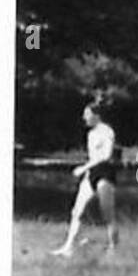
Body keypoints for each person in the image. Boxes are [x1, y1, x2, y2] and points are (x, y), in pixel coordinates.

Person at [52, 100, 118, 258]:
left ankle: (114, 248)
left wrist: (84, 168)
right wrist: (87, 173)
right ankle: (68, 247)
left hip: (105, 176)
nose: (84, 117)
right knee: (77, 211)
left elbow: (106, 155)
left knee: (107, 214)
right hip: (91, 175)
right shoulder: (91, 134)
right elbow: (93, 156)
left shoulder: (107, 132)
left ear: (97, 115)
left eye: (87, 114)